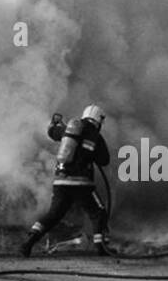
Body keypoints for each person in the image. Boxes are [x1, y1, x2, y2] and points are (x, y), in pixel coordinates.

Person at [19, 104, 111, 257]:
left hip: (61, 182)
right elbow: (104, 160)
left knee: (54, 215)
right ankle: (101, 247)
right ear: (98, 119)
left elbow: (52, 132)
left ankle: (28, 243)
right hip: (82, 184)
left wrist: (54, 125)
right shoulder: (95, 134)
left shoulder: (70, 129)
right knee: (98, 212)